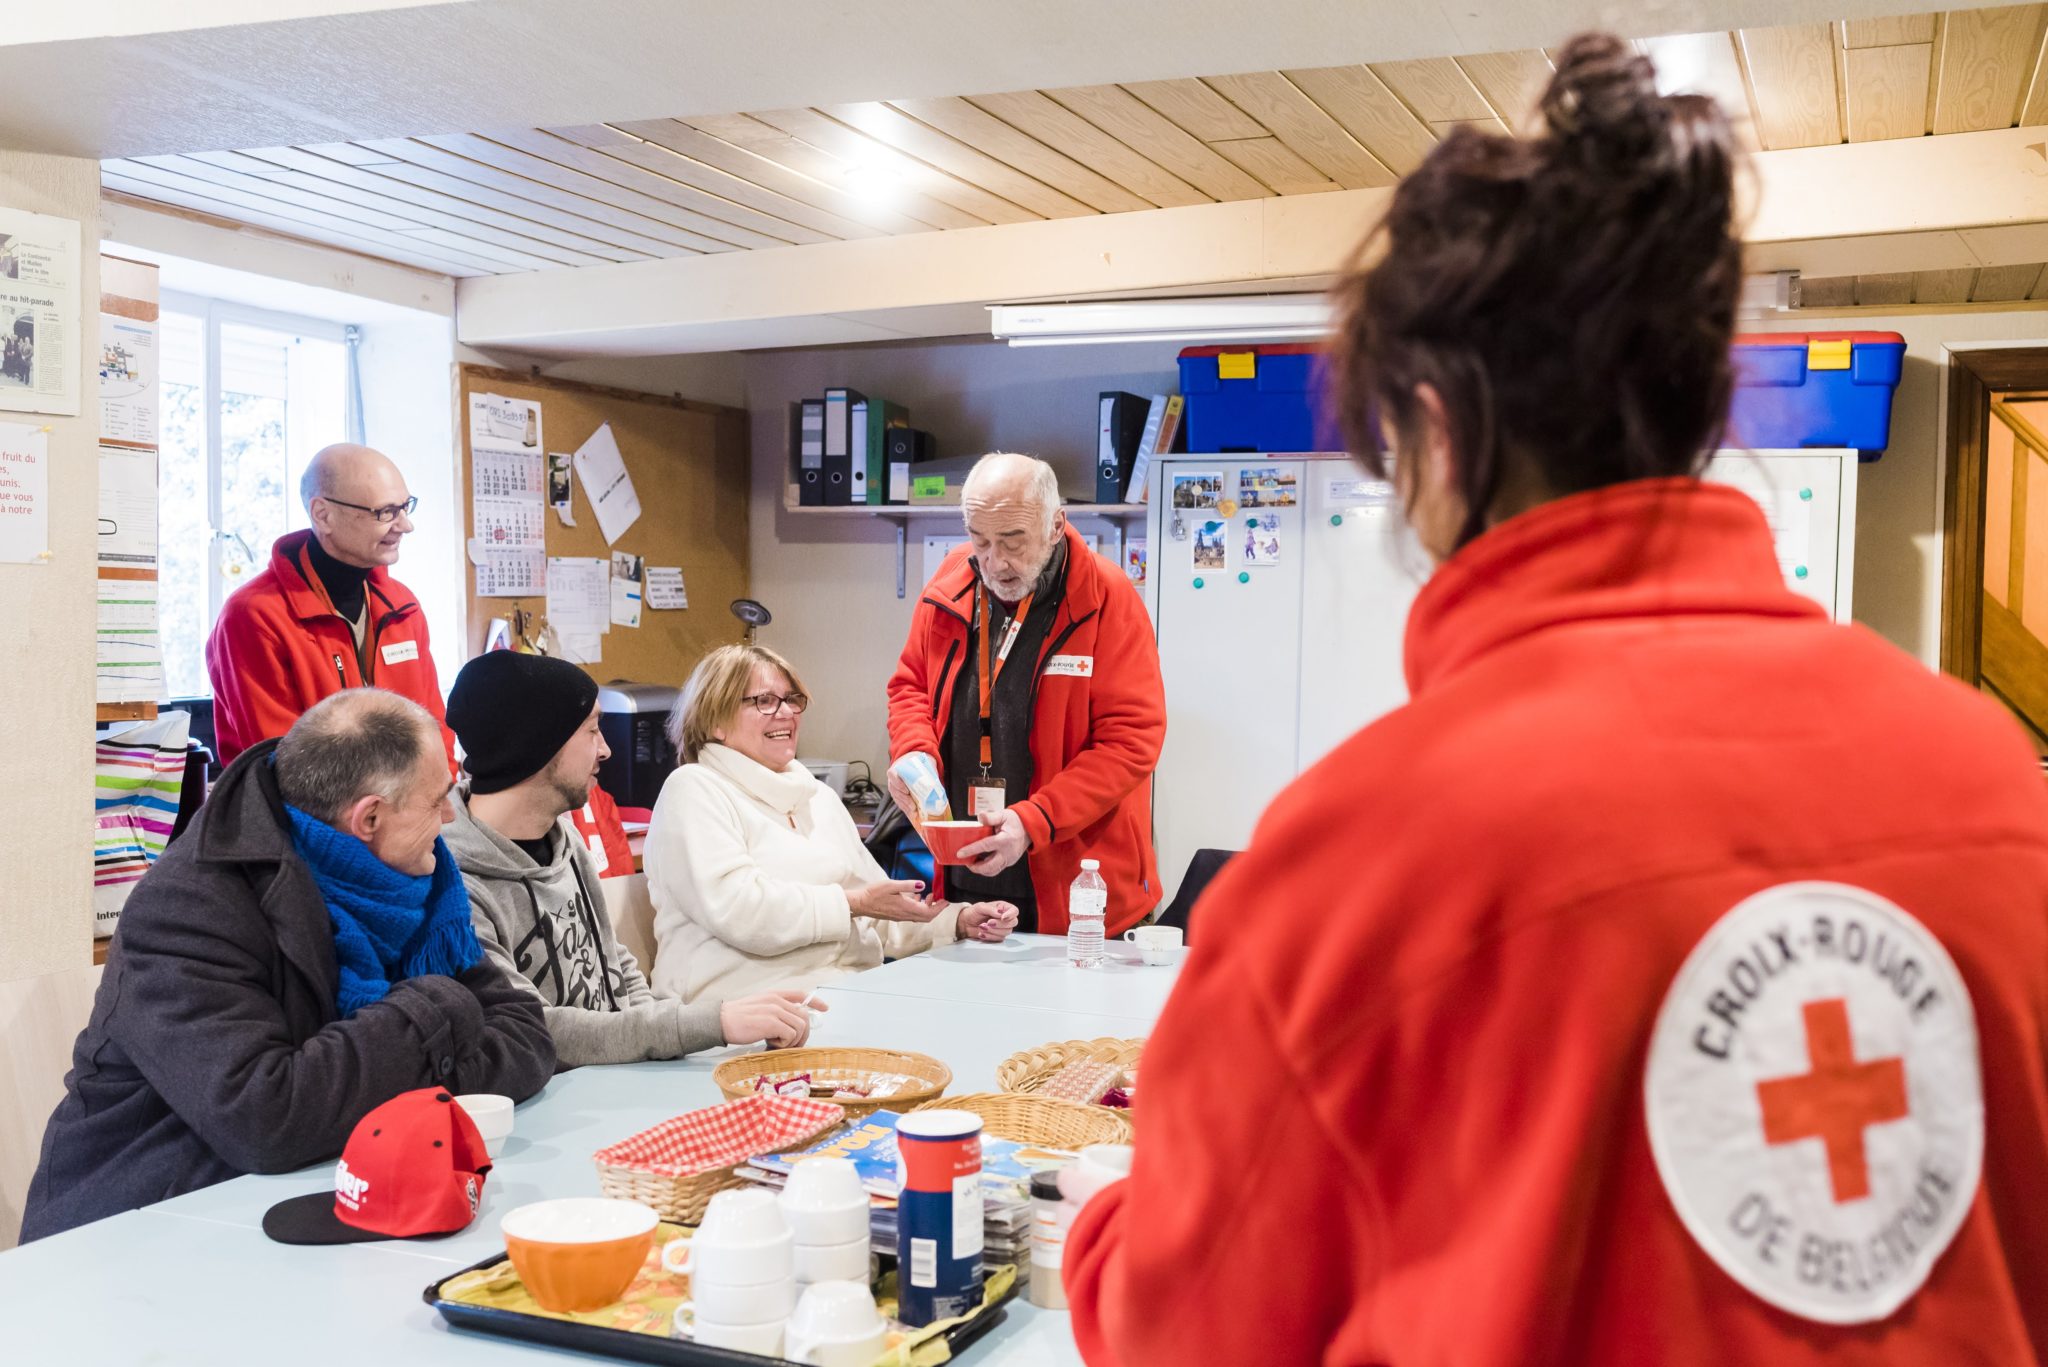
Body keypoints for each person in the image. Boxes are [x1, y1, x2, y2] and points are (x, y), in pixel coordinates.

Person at [1064, 34, 2048, 1367]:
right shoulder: (1997, 779)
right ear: (1699, 408)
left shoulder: (1349, 858)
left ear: (1437, 431)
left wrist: (1105, 1213)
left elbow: (1178, 1333)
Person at [20, 691, 553, 1243]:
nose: (450, 814)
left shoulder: (410, 881)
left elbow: (525, 1035)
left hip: (313, 1204)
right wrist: (439, 1008)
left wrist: (373, 1090)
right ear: (368, 816)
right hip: (134, 1233)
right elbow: (265, 1119)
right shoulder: (187, 908)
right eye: (438, 798)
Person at [440, 650, 820, 1066]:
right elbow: (534, 1029)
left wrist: (670, 1040)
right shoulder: (453, 886)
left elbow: (617, 968)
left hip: (616, 1078)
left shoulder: (563, 840)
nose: (605, 749)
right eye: (591, 731)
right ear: (537, 746)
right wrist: (716, 1022)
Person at [886, 452, 1166, 936]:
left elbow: (1131, 740)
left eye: (1013, 541)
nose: (996, 562)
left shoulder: (1107, 597)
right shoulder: (951, 583)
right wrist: (914, 757)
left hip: (1076, 885)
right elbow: (911, 684)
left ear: (1056, 525)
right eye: (981, 540)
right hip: (963, 882)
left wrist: (1033, 821)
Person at [646, 644, 1018, 1004]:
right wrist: (852, 903)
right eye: (763, 701)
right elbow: (742, 912)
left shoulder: (816, 797)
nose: (786, 713)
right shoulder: (694, 790)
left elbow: (879, 911)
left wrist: (958, 921)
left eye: (792, 699)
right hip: (744, 1015)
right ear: (715, 721)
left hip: (845, 998)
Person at [206, 442, 452, 766]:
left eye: (406, 507)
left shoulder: (402, 606)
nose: (405, 525)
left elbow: (434, 732)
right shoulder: (255, 616)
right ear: (323, 515)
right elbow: (284, 764)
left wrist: (436, 800)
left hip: (404, 809)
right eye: (386, 512)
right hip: (302, 814)